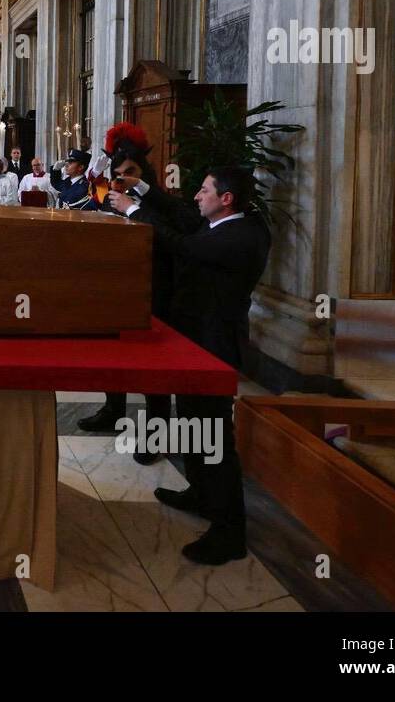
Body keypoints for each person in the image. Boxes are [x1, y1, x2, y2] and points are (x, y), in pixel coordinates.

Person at [118, 166, 269, 565]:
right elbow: (180, 213)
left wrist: (134, 211)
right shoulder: (219, 222)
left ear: (227, 198)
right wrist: (143, 189)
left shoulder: (243, 236)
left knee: (216, 438)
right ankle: (199, 493)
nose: (197, 196)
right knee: (191, 422)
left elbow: (182, 246)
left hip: (214, 347)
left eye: (204, 191)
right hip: (193, 343)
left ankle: (229, 532)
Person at [79, 123, 199, 462]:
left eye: (130, 172)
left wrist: (135, 203)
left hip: (155, 288)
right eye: (118, 172)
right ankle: (113, 409)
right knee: (111, 355)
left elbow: (171, 238)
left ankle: (156, 429)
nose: (122, 178)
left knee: (153, 364)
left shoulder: (160, 202)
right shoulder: (108, 196)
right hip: (116, 286)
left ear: (143, 171)